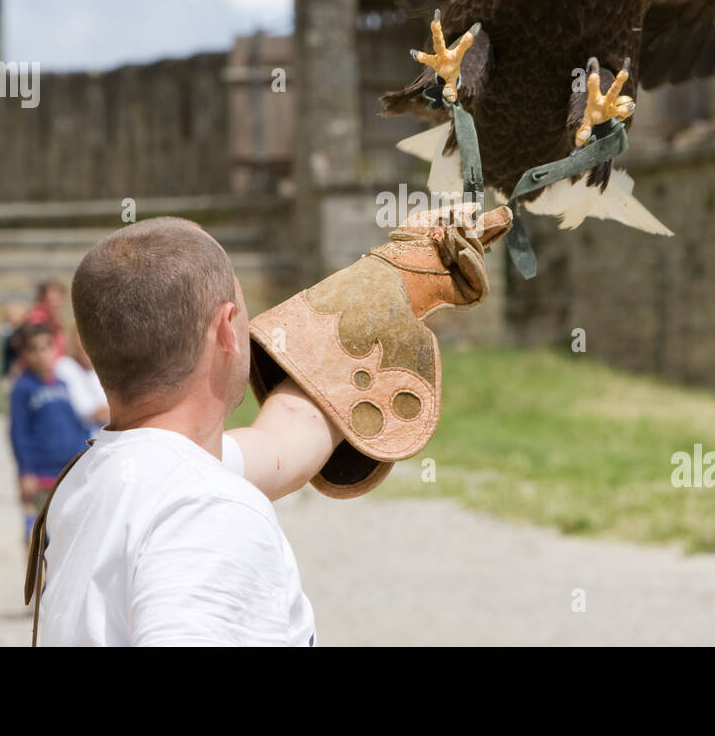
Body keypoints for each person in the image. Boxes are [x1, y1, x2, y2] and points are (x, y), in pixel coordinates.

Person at [32, 204, 511, 646]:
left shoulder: (98, 476)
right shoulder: (206, 511)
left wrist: (391, 277)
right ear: (226, 329)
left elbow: (282, 438)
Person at [9, 322, 93, 542]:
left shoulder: (65, 384)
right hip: (41, 476)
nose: (41, 354)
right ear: (25, 353)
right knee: (43, 540)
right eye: (33, 349)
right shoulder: (23, 388)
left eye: (46, 347)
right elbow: (19, 432)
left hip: (68, 470)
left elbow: (78, 425)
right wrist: (26, 472)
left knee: (72, 536)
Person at [23, 281, 67, 359]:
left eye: (58, 297)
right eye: (52, 298)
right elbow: (37, 346)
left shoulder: (53, 317)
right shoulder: (37, 317)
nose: (55, 301)